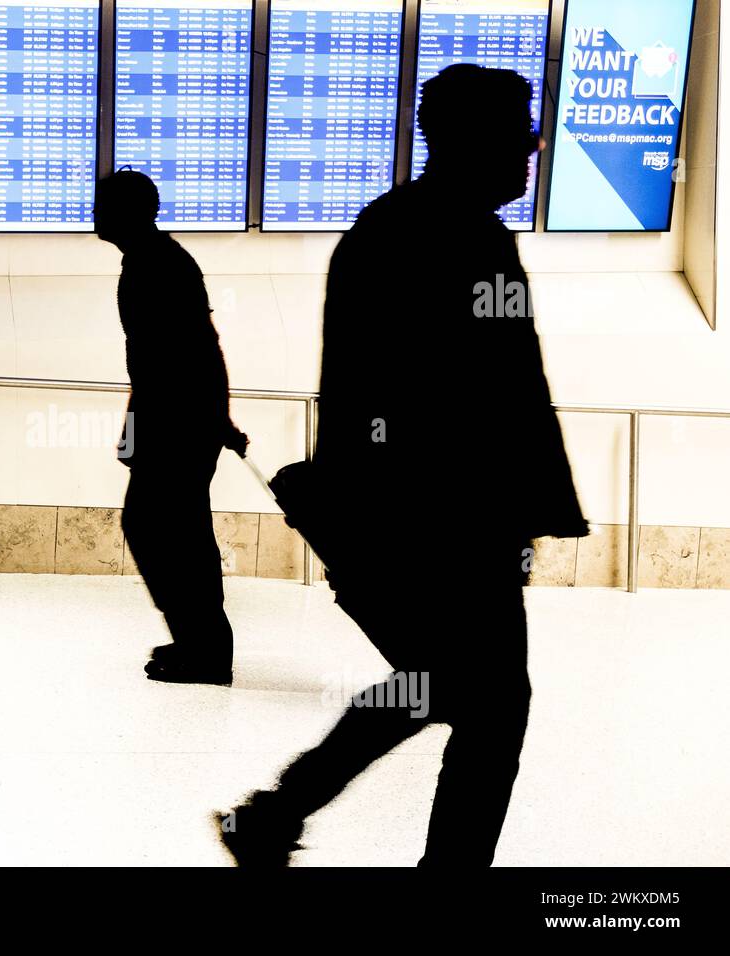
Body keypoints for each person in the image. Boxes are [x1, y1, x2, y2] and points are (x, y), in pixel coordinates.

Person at [219, 65, 589, 864]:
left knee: (440, 687)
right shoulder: (463, 239)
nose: (530, 155)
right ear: (474, 141)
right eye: (522, 138)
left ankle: (277, 815)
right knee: (490, 706)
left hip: (402, 520)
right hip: (449, 524)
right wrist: (525, 511)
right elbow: (500, 390)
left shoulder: (386, 227)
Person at [93, 169, 248, 686]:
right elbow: (164, 356)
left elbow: (197, 347)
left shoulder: (158, 264)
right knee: (169, 530)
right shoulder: (149, 260)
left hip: (177, 422)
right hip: (167, 417)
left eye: (104, 204)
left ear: (130, 212)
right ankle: (196, 639)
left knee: (168, 532)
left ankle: (204, 649)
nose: (96, 213)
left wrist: (214, 419)